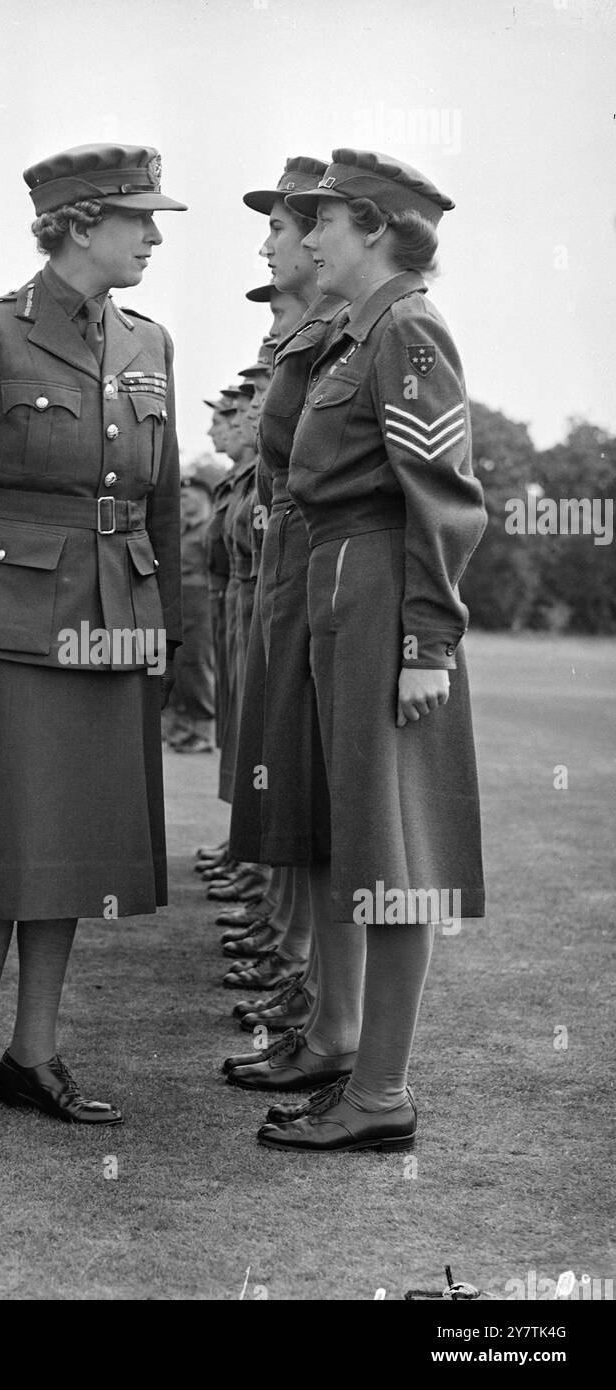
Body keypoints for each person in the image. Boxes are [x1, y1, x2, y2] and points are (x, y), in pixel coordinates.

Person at [0, 142, 185, 1132]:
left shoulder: (150, 343)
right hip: (9, 624)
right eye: (137, 218)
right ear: (75, 223)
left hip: (114, 627)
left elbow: (162, 511)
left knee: (66, 847)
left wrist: (166, 640)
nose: (151, 235)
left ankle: (35, 1051)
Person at [255, 149, 486, 1152]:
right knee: (365, 838)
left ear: (377, 231)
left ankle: (381, 1091)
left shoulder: (406, 327)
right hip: (345, 578)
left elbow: (441, 491)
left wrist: (427, 636)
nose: (307, 240)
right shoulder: (360, 331)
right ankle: (360, 1068)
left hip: (386, 584)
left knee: (397, 852)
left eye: (326, 224)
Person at [223, 158, 347, 1032]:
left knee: (325, 800)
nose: (273, 242)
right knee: (288, 781)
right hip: (282, 586)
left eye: (282, 224)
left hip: (330, 589)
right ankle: (300, 967)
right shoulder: (317, 341)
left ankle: (316, 989)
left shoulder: (360, 335)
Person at [163, 475, 214, 752]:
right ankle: (184, 728)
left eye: (187, 496)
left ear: (202, 497)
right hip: (182, 605)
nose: (182, 501)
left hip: (201, 604)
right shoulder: (181, 530)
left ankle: (204, 730)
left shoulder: (209, 529)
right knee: (180, 668)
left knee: (198, 665)